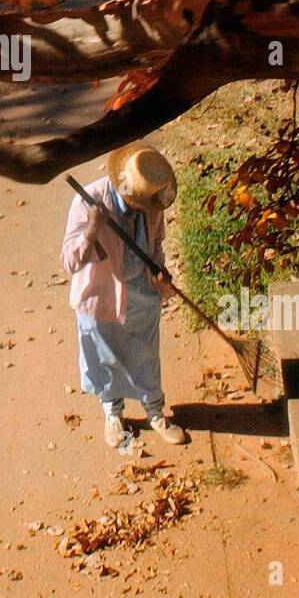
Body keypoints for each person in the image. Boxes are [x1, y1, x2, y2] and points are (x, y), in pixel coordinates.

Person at [61, 144, 188, 450]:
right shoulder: (88, 201)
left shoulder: (153, 201)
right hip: (101, 294)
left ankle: (155, 412)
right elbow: (68, 261)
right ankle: (113, 414)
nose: (148, 209)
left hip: (141, 291)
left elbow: (156, 243)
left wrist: (159, 270)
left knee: (146, 356)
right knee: (105, 358)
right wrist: (92, 230)